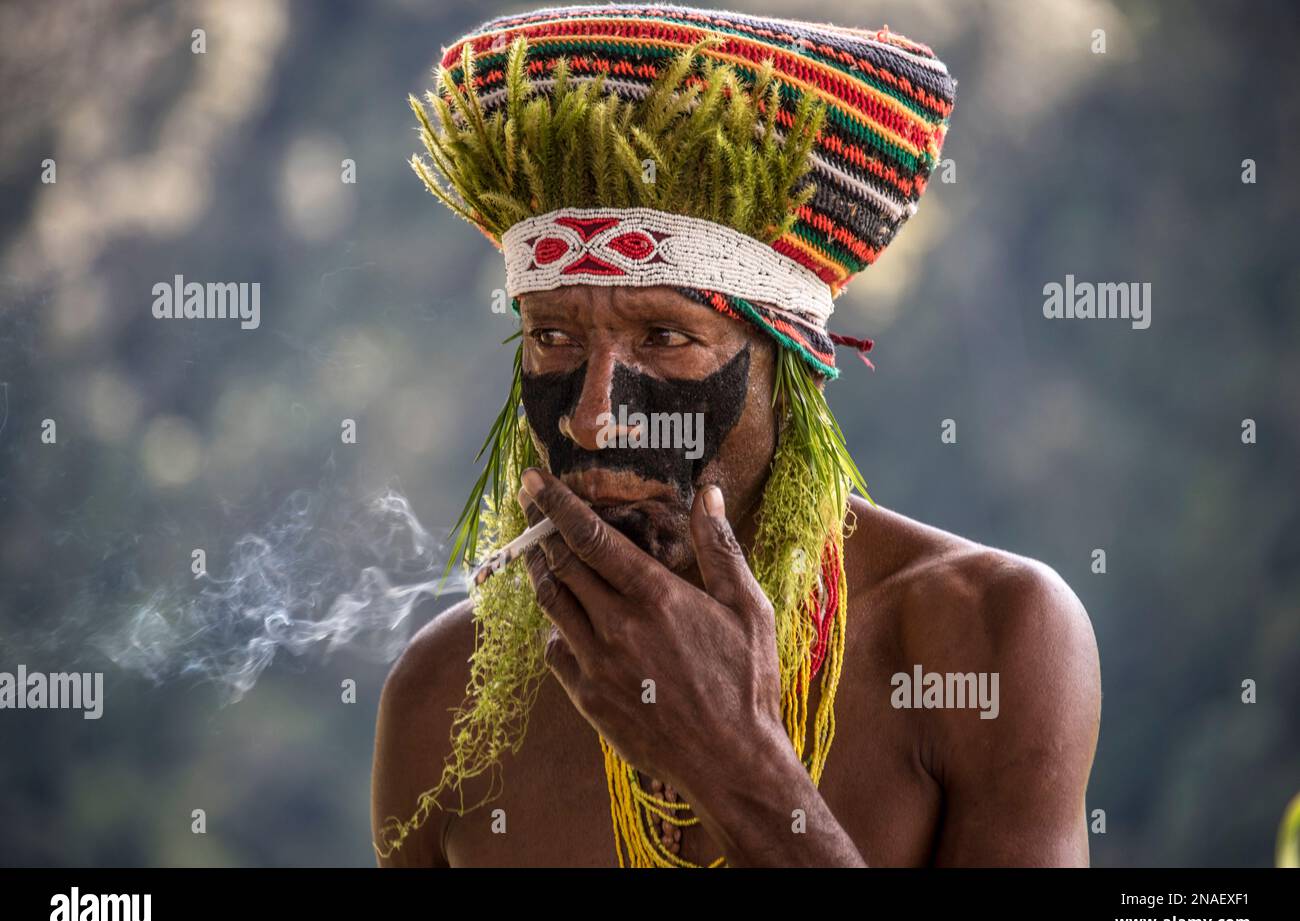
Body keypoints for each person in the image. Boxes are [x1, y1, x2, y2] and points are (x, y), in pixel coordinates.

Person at [371, 4, 1100, 867]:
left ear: (788, 367)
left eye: (666, 339)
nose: (596, 416)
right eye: (553, 337)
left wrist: (735, 762)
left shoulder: (989, 638)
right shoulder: (442, 698)